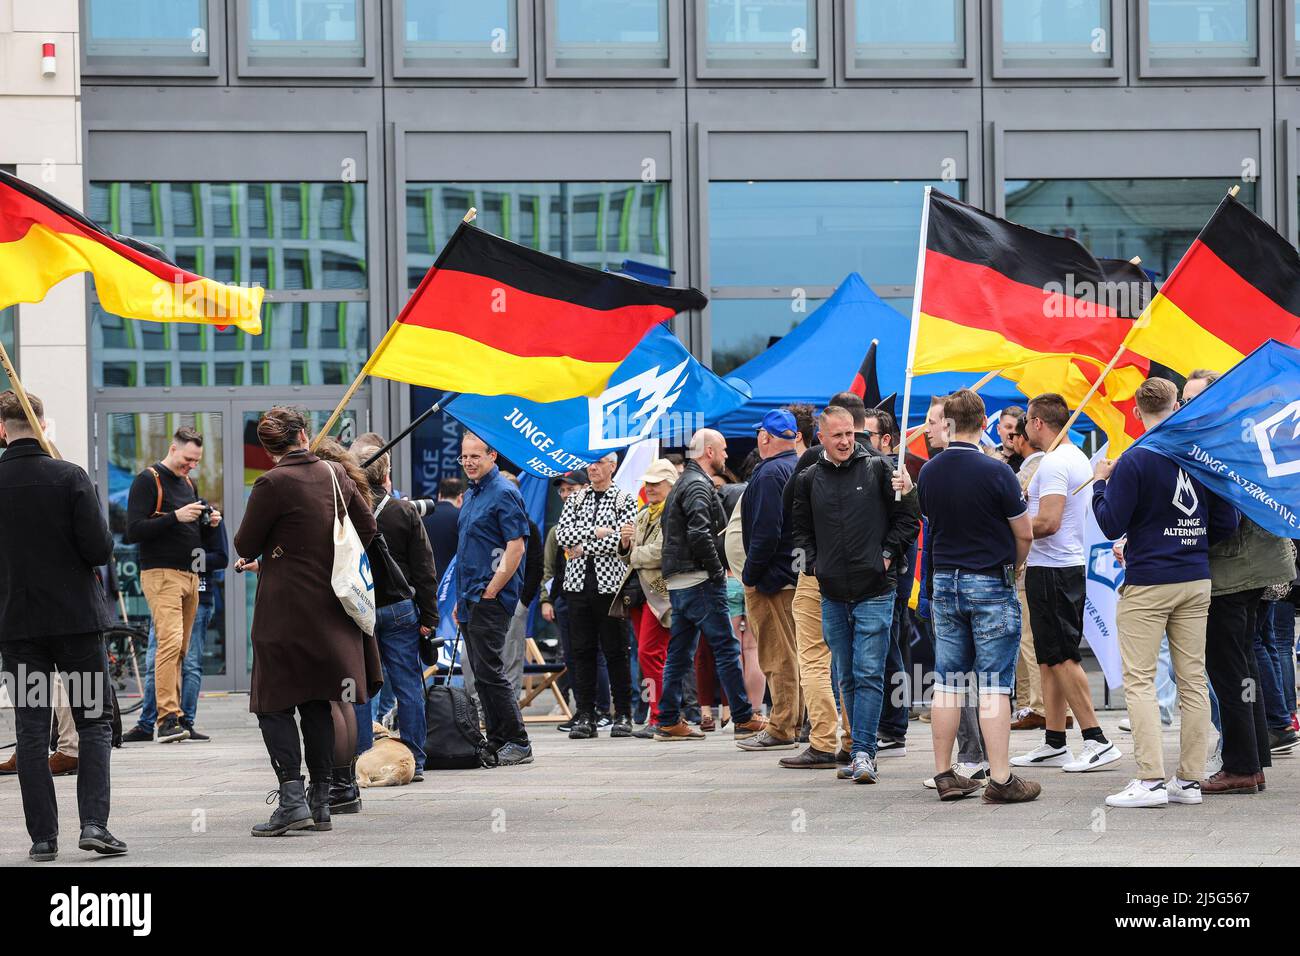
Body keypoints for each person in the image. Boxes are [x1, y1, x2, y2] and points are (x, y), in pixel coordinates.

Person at [234, 408, 383, 836]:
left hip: (285, 608)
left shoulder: (271, 482)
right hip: (333, 605)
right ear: (304, 434)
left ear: (268, 449)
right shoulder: (337, 474)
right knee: (319, 700)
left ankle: (291, 798)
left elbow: (246, 542)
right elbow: (368, 528)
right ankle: (321, 801)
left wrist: (280, 554)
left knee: (272, 703)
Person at [1092, 378, 1238, 809]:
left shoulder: (1135, 459)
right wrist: (1186, 543)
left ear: (1137, 412)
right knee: (1193, 679)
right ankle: (1189, 781)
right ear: (1177, 405)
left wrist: (1101, 483)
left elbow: (1110, 523)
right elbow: (1227, 523)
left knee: (1140, 680)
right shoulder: (1198, 453)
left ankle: (1151, 779)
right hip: (1195, 577)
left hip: (1150, 581)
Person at [0, 390, 126, 862]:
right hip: (74, 625)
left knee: (32, 732)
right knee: (93, 721)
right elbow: (98, 550)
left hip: (19, 628)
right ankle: (94, 824)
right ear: (44, 425)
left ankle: (42, 838)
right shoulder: (69, 476)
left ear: (2, 430)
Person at [911, 388, 1038, 803]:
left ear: (946, 424)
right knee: (994, 685)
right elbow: (1024, 532)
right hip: (989, 580)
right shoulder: (997, 472)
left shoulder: (928, 472)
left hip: (945, 580)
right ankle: (1000, 778)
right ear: (984, 424)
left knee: (948, 682)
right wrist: (1014, 565)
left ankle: (944, 773)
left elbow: (930, 525)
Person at [792, 406, 920, 784]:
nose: (846, 441)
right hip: (831, 591)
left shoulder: (880, 468)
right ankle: (859, 748)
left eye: (850, 433)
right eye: (838, 435)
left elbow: (908, 520)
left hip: (876, 590)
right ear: (822, 438)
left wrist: (885, 556)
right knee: (844, 674)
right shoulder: (809, 478)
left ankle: (864, 751)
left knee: (868, 672)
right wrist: (813, 565)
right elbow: (799, 530)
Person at [1011, 394, 1119, 773]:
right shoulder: (1070, 457)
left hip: (1055, 569)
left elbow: (1049, 521)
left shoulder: (1056, 462)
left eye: (1026, 420)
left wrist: (1010, 526)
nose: (1024, 428)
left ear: (1039, 422)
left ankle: (1097, 739)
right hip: (1057, 567)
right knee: (1049, 658)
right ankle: (1055, 742)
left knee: (1063, 656)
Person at [654, 428, 767, 742]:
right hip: (700, 580)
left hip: (680, 580)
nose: (727, 455)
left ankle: (667, 720)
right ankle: (744, 717)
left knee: (680, 652)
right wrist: (718, 572)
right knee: (727, 648)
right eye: (724, 449)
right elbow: (700, 534)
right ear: (709, 452)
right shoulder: (698, 485)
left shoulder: (683, 483)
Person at [124, 425, 222, 743]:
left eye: (196, 461)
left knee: (180, 648)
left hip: (191, 575)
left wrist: (209, 524)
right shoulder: (148, 479)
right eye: (188, 459)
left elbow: (191, 531)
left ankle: (176, 715)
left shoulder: (187, 483)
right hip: (161, 573)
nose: (191, 465)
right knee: (168, 644)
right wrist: (175, 517)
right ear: (173, 448)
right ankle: (166, 718)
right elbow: (133, 530)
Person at [352, 442, 439, 780]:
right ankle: (415, 759)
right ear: (386, 473)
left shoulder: (344, 510)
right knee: (407, 685)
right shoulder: (405, 512)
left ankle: (362, 755)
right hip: (401, 608)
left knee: (362, 686)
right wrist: (430, 618)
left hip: (361, 609)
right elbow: (425, 570)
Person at [455, 431, 533, 765]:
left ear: (492, 457)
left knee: (490, 672)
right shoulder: (472, 495)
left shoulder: (504, 491)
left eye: (475, 456)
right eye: (464, 457)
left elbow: (516, 545)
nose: (469, 463)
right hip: (470, 596)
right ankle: (499, 739)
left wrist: (493, 588)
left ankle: (518, 740)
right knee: (480, 674)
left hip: (490, 597)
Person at [553, 451, 638, 739]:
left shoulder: (623, 499)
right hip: (577, 585)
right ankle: (585, 714)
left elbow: (622, 539)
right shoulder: (576, 499)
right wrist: (597, 531)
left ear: (612, 467)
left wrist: (585, 545)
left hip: (610, 585)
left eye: (599, 462)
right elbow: (562, 536)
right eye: (589, 463)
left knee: (616, 651)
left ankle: (623, 713)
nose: (592, 468)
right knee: (581, 651)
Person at [123, 517, 228, 743]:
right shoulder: (171, 519)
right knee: (156, 659)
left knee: (189, 663)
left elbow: (222, 557)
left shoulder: (209, 519)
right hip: (168, 591)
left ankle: (185, 721)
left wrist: (187, 561)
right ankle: (147, 722)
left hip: (199, 593)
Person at [737, 409, 803, 753]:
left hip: (772, 580)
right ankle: (799, 722)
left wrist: (750, 575)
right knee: (798, 654)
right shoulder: (797, 466)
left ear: (764, 437)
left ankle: (781, 726)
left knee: (778, 656)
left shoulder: (768, 474)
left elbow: (765, 532)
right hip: (795, 576)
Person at [862, 407, 921, 758]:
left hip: (891, 576)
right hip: (866, 576)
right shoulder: (866, 469)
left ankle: (894, 728)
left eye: (865, 436)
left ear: (885, 440)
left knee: (888, 650)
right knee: (882, 649)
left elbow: (908, 525)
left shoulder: (896, 473)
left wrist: (886, 556)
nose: (857, 444)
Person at [540, 471, 611, 723]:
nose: (566, 494)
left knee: (598, 653)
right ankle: (583, 711)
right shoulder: (556, 531)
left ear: (585, 488)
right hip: (564, 598)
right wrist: (546, 599)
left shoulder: (601, 518)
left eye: (572, 489)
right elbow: (548, 569)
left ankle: (604, 710)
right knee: (572, 655)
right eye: (563, 490)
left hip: (595, 593)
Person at [617, 458, 677, 736]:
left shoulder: (674, 512)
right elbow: (632, 553)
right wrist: (626, 544)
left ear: (670, 484)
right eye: (648, 483)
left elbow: (659, 553)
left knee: (650, 653)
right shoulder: (644, 514)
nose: (650, 488)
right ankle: (659, 715)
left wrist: (632, 553)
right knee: (648, 656)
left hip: (661, 594)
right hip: (640, 594)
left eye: (656, 483)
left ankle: (663, 716)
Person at [422, 476, 463, 583]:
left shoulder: (423, 515)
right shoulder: (461, 517)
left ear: (439, 495)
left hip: (426, 579)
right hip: (450, 582)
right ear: (460, 497)